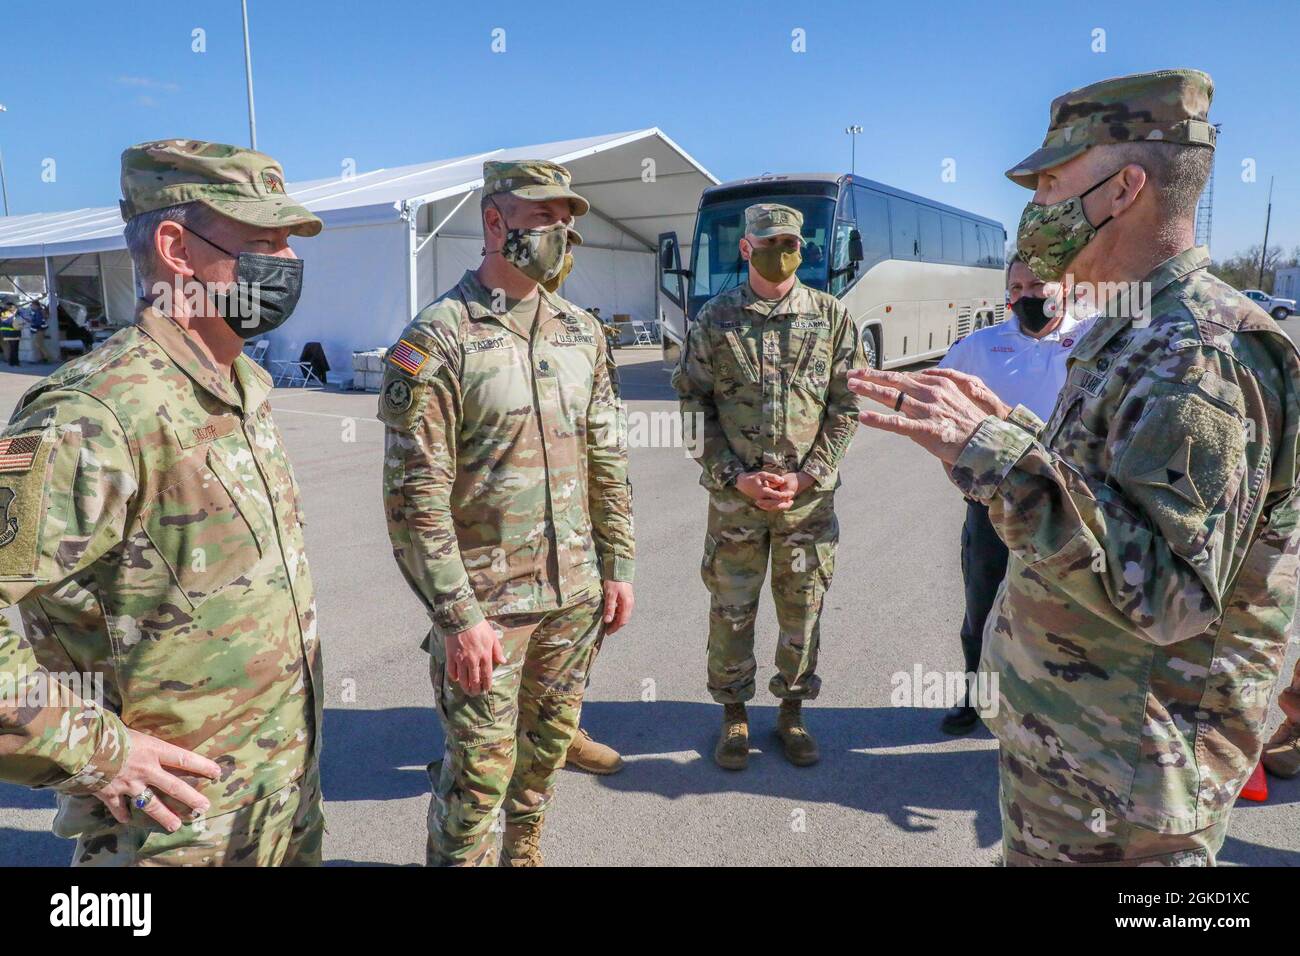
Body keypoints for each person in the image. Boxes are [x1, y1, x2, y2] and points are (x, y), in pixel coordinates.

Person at [849, 69, 1300, 866]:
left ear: (1127, 187)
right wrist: (1008, 429)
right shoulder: (1132, 328)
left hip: (1131, 786)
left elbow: (1169, 595)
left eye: (1053, 181)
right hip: (1079, 753)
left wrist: (994, 452)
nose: (1037, 206)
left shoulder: (1200, 353)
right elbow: (1105, 496)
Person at [0, 139, 326, 866]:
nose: (289, 264)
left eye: (290, 244)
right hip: (170, 833)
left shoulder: (236, 387)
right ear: (177, 248)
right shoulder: (95, 412)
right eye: (264, 241)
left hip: (278, 805)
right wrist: (97, 751)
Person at [379, 160, 635, 866]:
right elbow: (413, 499)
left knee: (544, 758)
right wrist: (456, 616)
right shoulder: (437, 338)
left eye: (567, 221)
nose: (562, 233)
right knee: (478, 777)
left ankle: (524, 857)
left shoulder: (583, 333)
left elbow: (606, 462)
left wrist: (618, 567)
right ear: (496, 223)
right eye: (544, 218)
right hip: (490, 610)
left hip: (574, 597)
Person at [673, 203, 863, 771]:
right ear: (745, 248)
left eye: (790, 242)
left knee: (802, 609)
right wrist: (738, 476)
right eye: (768, 241)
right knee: (732, 609)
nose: (781, 251)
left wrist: (809, 474)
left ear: (801, 249)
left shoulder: (831, 316)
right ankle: (733, 711)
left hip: (807, 502)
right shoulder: (715, 318)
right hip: (737, 502)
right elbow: (691, 406)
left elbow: (847, 405)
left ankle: (792, 710)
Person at [936, 255, 1093, 734]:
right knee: (982, 604)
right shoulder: (981, 346)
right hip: (993, 505)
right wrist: (955, 470)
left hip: (1069, 509)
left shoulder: (1094, 338)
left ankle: (1052, 708)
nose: (1026, 295)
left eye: (1037, 284)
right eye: (1017, 286)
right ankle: (976, 696)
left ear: (1064, 286)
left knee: (1062, 614)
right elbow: (940, 406)